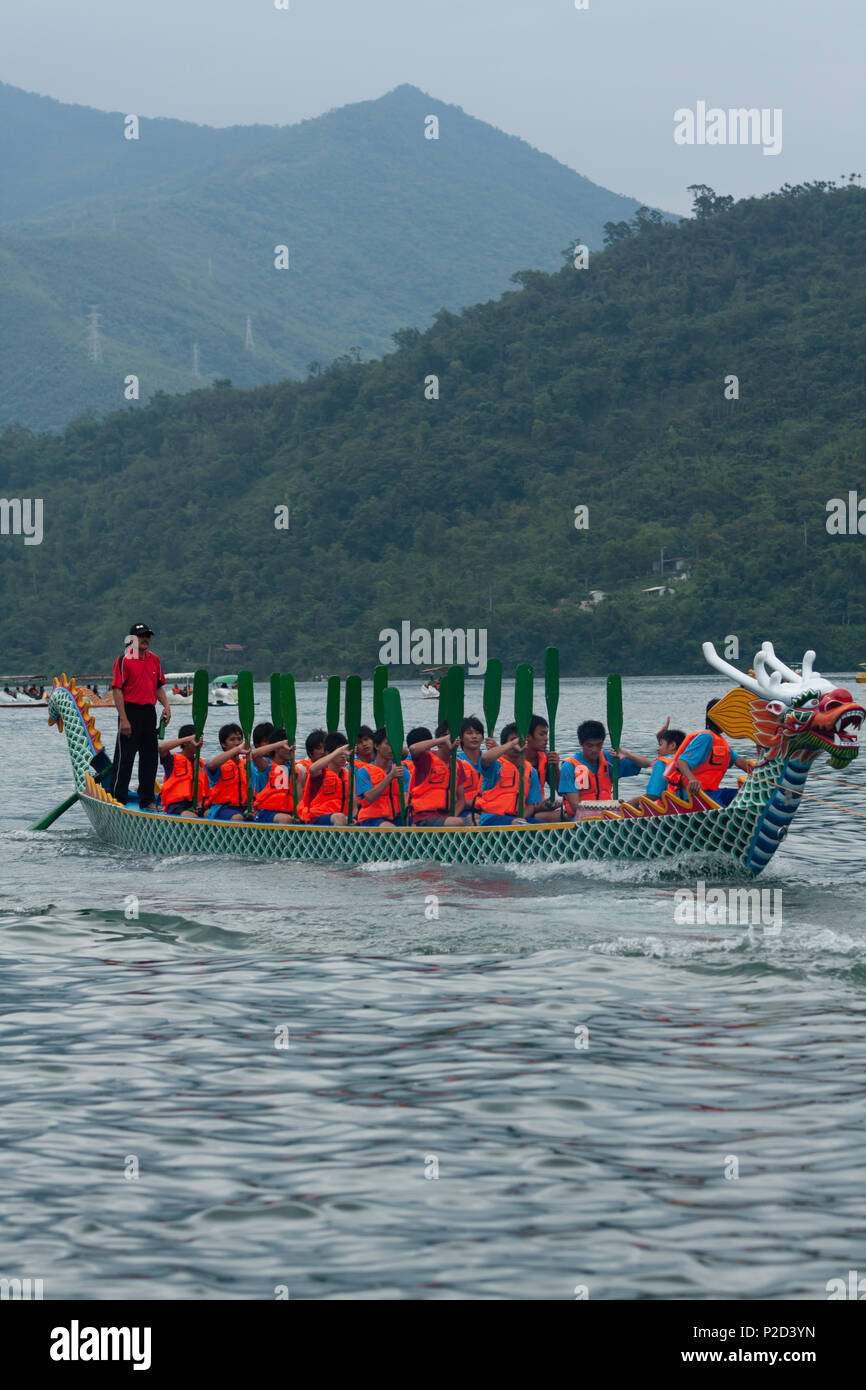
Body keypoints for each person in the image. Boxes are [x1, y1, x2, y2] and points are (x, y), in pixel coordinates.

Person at [109, 622, 171, 810]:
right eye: (141, 636)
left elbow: (158, 686)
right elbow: (117, 690)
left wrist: (167, 706)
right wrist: (124, 719)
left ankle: (147, 801)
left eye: (148, 636)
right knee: (125, 758)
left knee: (150, 758)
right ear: (132, 639)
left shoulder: (155, 660)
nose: (145, 639)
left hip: (148, 712)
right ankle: (118, 799)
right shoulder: (124, 660)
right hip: (130, 711)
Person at [665, 700, 754, 805]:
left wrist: (761, 773)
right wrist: (692, 780)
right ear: (716, 716)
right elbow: (681, 762)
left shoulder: (721, 742)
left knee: (749, 795)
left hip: (712, 792)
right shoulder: (706, 737)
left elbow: (740, 762)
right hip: (692, 796)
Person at [477, 722, 562, 825]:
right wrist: (512, 744)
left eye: (519, 740)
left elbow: (530, 805)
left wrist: (521, 818)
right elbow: (485, 758)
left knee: (544, 827)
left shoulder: (531, 771)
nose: (517, 744)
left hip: (517, 818)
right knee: (517, 823)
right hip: (491, 818)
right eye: (513, 740)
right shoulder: (496, 765)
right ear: (505, 744)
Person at [558, 720, 644, 815]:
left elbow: (645, 763)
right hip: (579, 818)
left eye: (599, 745)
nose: (594, 750)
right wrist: (613, 807)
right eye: (589, 745)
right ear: (580, 743)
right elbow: (575, 806)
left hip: (608, 815)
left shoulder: (609, 759)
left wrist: (627, 754)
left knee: (640, 803)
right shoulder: (570, 766)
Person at [406, 726, 466, 826]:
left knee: (475, 821)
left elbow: (461, 801)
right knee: (457, 823)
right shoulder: (427, 759)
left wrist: (453, 816)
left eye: (453, 737)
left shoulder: (457, 764)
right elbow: (413, 749)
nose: (450, 739)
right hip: (424, 817)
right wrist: (443, 740)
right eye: (446, 736)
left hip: (446, 817)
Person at [355, 728, 410, 827]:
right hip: (372, 819)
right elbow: (370, 797)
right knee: (389, 827)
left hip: (397, 817)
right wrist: (390, 776)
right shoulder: (363, 772)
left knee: (416, 824)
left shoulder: (402, 771)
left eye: (394, 744)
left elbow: (406, 798)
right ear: (376, 746)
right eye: (388, 744)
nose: (392, 748)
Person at [253, 727, 304, 823]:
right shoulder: (266, 766)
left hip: (288, 812)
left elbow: (299, 799)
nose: (291, 748)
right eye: (288, 745)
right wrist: (279, 744)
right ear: (276, 748)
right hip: (265, 812)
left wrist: (299, 815)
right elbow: (254, 755)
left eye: (293, 744)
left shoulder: (294, 770)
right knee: (285, 819)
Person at [299, 732, 350, 824]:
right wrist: (339, 751)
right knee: (339, 818)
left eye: (345, 752)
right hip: (315, 818)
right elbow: (312, 769)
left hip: (340, 817)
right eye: (339, 752)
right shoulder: (321, 773)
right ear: (328, 753)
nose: (343, 755)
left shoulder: (349, 775)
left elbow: (353, 803)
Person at [158, 724, 207, 817]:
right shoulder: (172, 760)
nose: (200, 742)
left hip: (196, 805)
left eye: (201, 739)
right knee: (192, 817)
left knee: (209, 814)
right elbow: (161, 748)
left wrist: (201, 803)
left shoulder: (201, 763)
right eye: (197, 739)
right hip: (176, 805)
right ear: (185, 742)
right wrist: (187, 739)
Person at [525, 714, 560, 804]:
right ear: (527, 736)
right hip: (518, 810)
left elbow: (560, 791)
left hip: (539, 807)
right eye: (541, 734)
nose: (546, 739)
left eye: (546, 734)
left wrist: (556, 768)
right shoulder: (513, 757)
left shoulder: (546, 757)